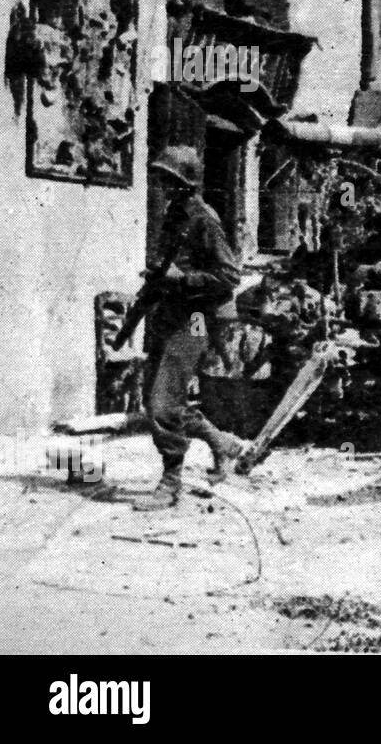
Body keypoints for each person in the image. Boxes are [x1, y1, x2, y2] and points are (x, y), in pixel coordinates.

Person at [134, 145, 249, 511]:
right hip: (172, 314)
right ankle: (222, 442)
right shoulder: (176, 214)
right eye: (162, 179)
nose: (163, 185)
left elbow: (230, 275)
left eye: (170, 180)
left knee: (162, 402)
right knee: (159, 397)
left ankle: (170, 483)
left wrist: (181, 279)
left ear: (186, 183)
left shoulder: (203, 218)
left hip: (197, 319)